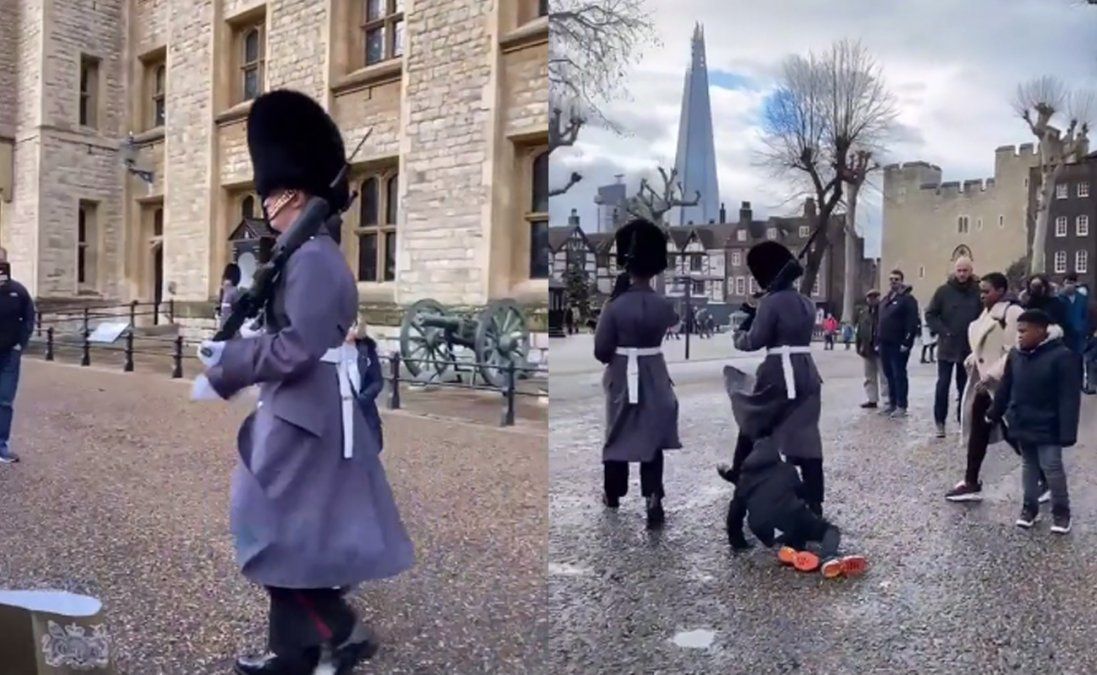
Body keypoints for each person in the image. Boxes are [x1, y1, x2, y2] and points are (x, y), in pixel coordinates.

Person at [190, 89, 415, 675]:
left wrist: (229, 367)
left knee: (277, 532)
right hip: (299, 411)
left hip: (307, 415)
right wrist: (239, 313)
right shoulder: (302, 256)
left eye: (272, 194)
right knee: (290, 535)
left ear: (290, 193)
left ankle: (332, 637)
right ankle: (306, 648)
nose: (266, 205)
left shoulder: (314, 257)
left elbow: (298, 348)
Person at [718, 241, 826, 549]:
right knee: (808, 446)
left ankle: (735, 521)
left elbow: (754, 341)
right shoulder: (806, 302)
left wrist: (739, 333)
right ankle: (815, 511)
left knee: (750, 430)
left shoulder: (772, 303)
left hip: (778, 373)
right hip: (806, 373)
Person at [594, 218, 681, 529]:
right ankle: (653, 496)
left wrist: (612, 301)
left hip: (622, 372)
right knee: (651, 438)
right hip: (655, 372)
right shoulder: (664, 305)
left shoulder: (615, 307)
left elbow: (601, 351)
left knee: (617, 434)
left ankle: (613, 493)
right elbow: (672, 319)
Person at [945, 272, 1052, 503]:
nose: (982, 295)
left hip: (1004, 383)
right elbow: (986, 346)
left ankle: (1045, 478)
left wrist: (993, 373)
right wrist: (974, 358)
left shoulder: (1011, 313)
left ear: (1001, 291)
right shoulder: (986, 313)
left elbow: (1016, 349)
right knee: (978, 431)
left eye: (987, 291)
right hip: (985, 384)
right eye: (981, 291)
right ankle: (971, 481)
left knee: (1014, 433)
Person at [720, 435, 867, 578]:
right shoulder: (786, 469)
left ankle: (792, 551)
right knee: (828, 530)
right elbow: (802, 494)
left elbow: (735, 514)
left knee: (789, 535)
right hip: (792, 514)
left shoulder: (744, 480)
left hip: (765, 530)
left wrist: (738, 543)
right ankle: (828, 557)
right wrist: (813, 514)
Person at [988, 308, 1081, 533]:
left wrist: (1068, 432)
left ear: (1041, 331)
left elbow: (1069, 397)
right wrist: (994, 411)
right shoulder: (1015, 355)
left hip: (1049, 423)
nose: (1019, 335)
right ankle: (1029, 508)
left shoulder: (1062, 357)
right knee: (1029, 466)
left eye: (1024, 331)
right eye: (1017, 331)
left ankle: (1061, 512)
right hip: (1022, 421)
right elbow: (1005, 387)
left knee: (1051, 467)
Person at [924, 257, 982, 437]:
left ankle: (963, 420)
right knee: (943, 385)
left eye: (965, 270)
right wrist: (943, 331)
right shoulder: (943, 291)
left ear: (970, 271)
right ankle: (940, 421)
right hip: (947, 347)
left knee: (965, 386)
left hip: (968, 347)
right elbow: (930, 314)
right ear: (955, 271)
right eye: (959, 270)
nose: (962, 274)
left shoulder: (978, 292)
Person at [0, 254, 35, 464]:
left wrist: (20, 344)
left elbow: (29, 316)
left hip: (9, 355)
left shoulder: (18, 290)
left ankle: (1, 447)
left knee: (4, 401)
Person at [877, 269, 920, 417]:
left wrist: (907, 342)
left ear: (901, 280)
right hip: (884, 343)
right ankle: (892, 403)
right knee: (888, 374)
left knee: (899, 374)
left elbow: (912, 322)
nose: (893, 282)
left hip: (898, 344)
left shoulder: (907, 300)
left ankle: (902, 405)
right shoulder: (886, 299)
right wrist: (877, 340)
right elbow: (880, 320)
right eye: (891, 279)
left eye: (896, 279)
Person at [855, 290, 888, 409]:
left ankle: (887, 400)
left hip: (880, 347)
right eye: (869, 297)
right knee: (869, 376)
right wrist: (858, 347)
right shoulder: (863, 312)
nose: (872, 300)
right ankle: (872, 399)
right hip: (867, 348)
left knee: (884, 376)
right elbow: (859, 330)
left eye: (874, 297)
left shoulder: (883, 311)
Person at [217, 263, 242, 330]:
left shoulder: (222, 288)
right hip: (230, 324)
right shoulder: (233, 290)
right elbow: (237, 308)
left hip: (222, 322)